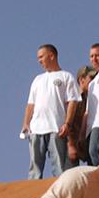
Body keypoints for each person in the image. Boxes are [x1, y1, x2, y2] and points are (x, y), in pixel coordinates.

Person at [22, 44, 80, 179]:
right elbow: (30, 104)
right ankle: (32, 193)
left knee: (59, 166)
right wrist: (26, 123)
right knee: (35, 167)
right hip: (36, 129)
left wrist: (67, 123)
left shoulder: (66, 76)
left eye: (41, 57)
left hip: (56, 127)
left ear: (51, 56)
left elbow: (73, 101)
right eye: (38, 58)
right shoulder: (38, 79)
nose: (39, 61)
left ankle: (60, 194)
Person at [66, 65, 96, 167]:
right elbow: (66, 122)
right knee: (70, 177)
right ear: (82, 79)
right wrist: (70, 145)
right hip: (70, 143)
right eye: (91, 78)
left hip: (85, 144)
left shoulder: (92, 99)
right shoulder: (73, 99)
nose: (94, 82)